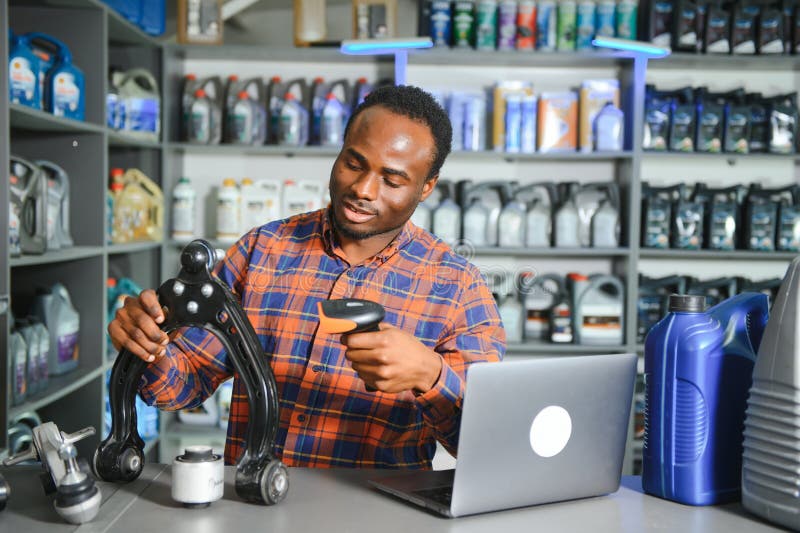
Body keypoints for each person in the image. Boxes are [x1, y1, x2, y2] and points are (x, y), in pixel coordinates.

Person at [109, 84, 505, 469]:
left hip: (376, 507)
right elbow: (181, 385)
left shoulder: (458, 287)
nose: (364, 189)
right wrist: (147, 347)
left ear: (426, 187)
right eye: (354, 163)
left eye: (392, 180)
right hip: (254, 499)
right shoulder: (261, 250)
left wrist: (430, 375)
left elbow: (486, 446)